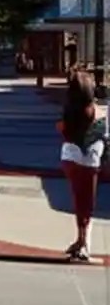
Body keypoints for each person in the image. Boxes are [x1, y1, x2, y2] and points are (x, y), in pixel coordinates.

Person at [59, 72, 106, 262]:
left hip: (70, 158)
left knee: (79, 200)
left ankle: (80, 240)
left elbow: (63, 130)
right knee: (87, 204)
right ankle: (84, 244)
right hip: (89, 161)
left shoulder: (69, 111)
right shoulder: (97, 113)